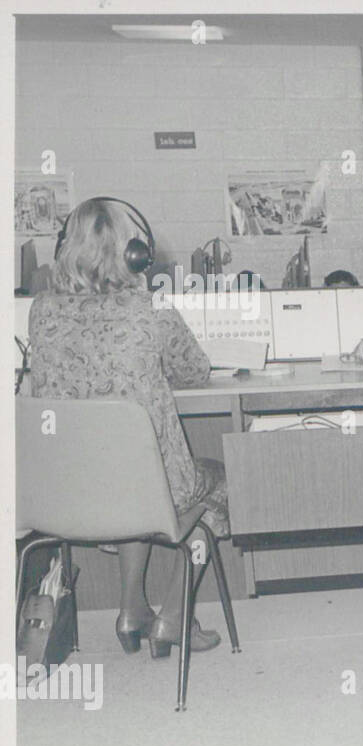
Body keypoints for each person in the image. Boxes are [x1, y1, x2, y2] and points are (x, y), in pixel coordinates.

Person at [25, 197, 227, 658]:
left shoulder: (42, 312)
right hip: (144, 488)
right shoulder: (151, 309)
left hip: (69, 494)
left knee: (126, 481)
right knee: (218, 482)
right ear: (133, 253)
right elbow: (195, 371)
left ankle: (132, 609)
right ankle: (175, 616)